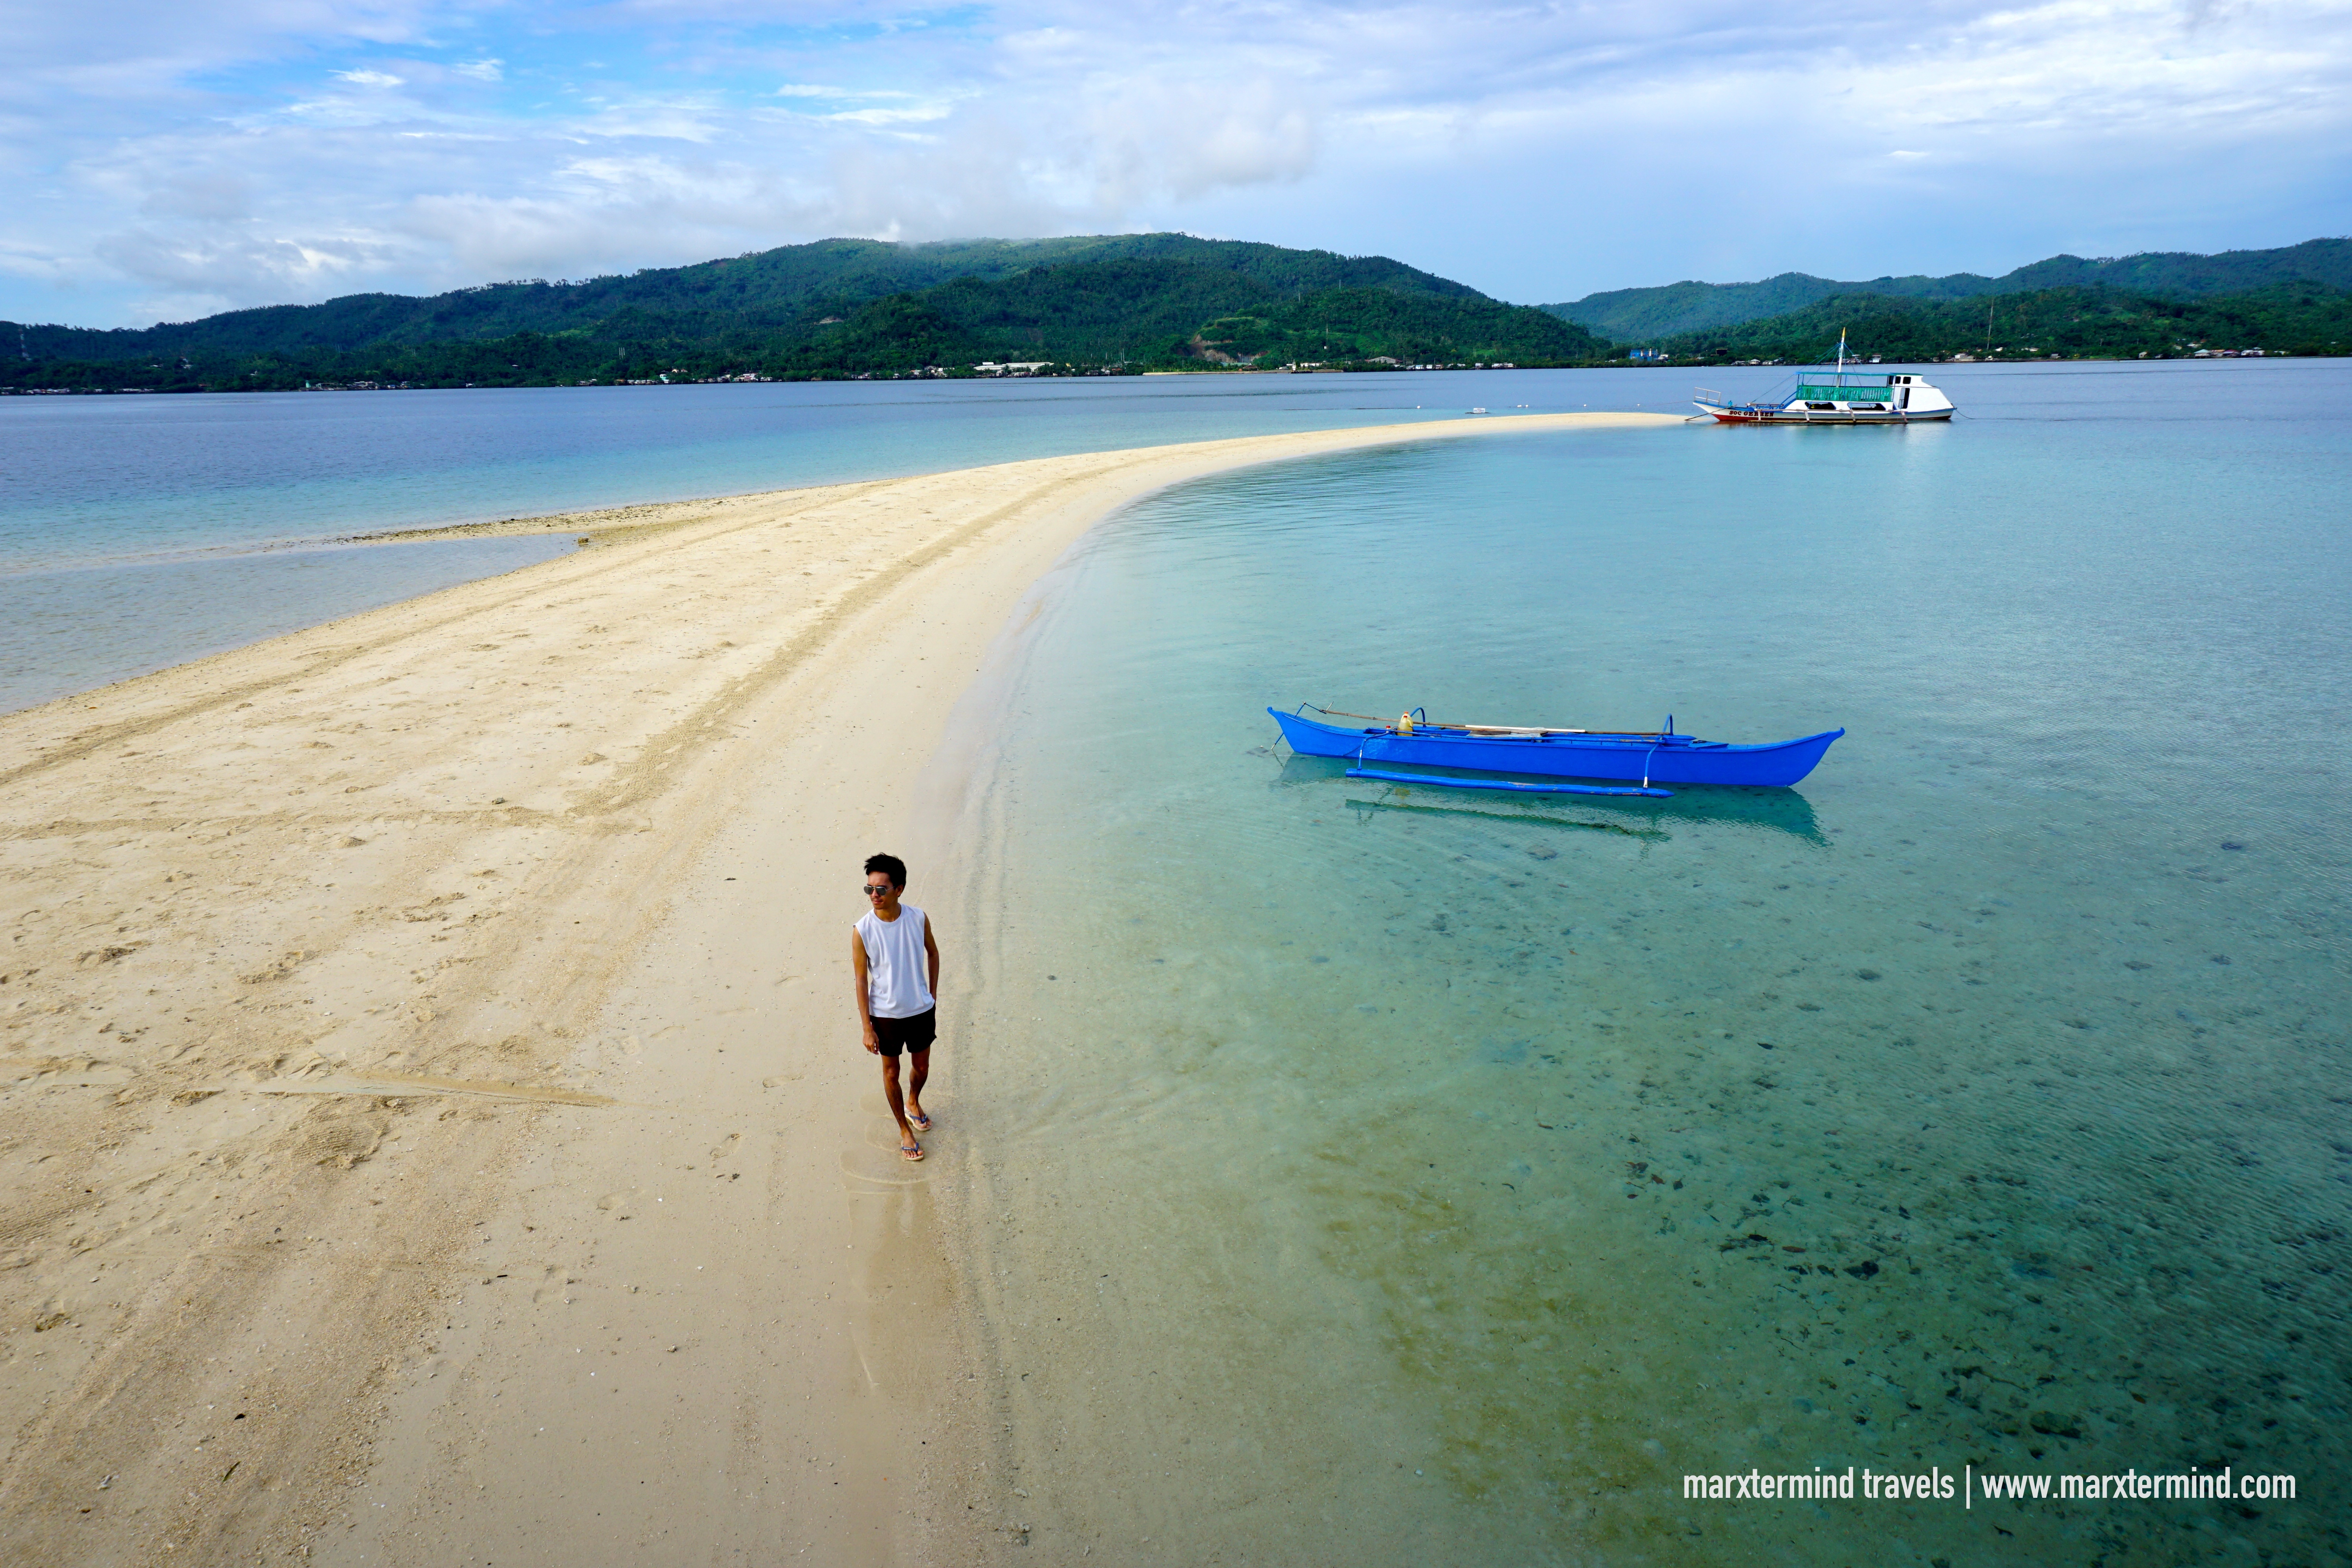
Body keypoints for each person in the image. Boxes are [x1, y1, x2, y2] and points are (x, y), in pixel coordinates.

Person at [851, 853, 939, 1161]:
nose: (874, 895)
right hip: (885, 1015)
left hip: (920, 1010)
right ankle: (905, 1130)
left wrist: (932, 996)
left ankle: (913, 1102)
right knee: (891, 1072)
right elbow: (861, 981)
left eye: (881, 889)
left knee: (922, 1067)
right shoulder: (862, 930)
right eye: (869, 889)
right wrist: (866, 1028)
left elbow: (933, 954)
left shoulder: (918, 918)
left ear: (899, 889)